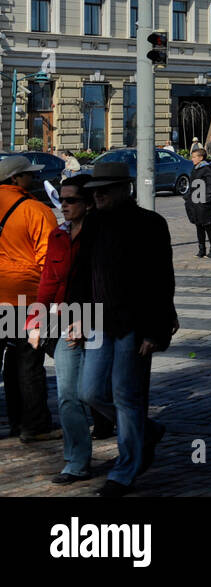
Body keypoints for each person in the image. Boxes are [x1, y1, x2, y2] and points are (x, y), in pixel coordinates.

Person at [77, 161, 176, 497]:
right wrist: (75, 315)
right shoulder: (93, 223)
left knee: (126, 395)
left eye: (103, 190)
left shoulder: (150, 224)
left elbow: (162, 282)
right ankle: (146, 431)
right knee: (90, 391)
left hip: (135, 324)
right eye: (93, 192)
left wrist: (155, 331)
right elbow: (81, 276)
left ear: (125, 189)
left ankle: (126, 469)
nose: (97, 196)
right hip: (98, 321)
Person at [25, 173, 94, 482]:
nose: (63, 206)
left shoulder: (101, 235)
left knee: (100, 393)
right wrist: (35, 322)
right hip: (68, 319)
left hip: (100, 319)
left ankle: (140, 432)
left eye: (70, 201)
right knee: (68, 394)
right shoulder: (58, 236)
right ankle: (76, 462)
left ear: (88, 203)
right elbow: (48, 281)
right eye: (61, 200)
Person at [0, 154, 58, 442]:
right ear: (15, 179)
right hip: (23, 298)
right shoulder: (36, 211)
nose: (34, 179)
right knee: (27, 361)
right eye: (28, 175)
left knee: (13, 361)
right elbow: (49, 260)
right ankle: (31, 424)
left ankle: (14, 421)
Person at [185, 147, 211, 258]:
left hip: (203, 202)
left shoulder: (206, 169)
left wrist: (207, 200)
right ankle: (201, 249)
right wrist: (188, 198)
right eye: (192, 157)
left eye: (194, 157)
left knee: (207, 225)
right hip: (195, 201)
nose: (192, 159)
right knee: (198, 226)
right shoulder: (195, 168)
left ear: (201, 157)